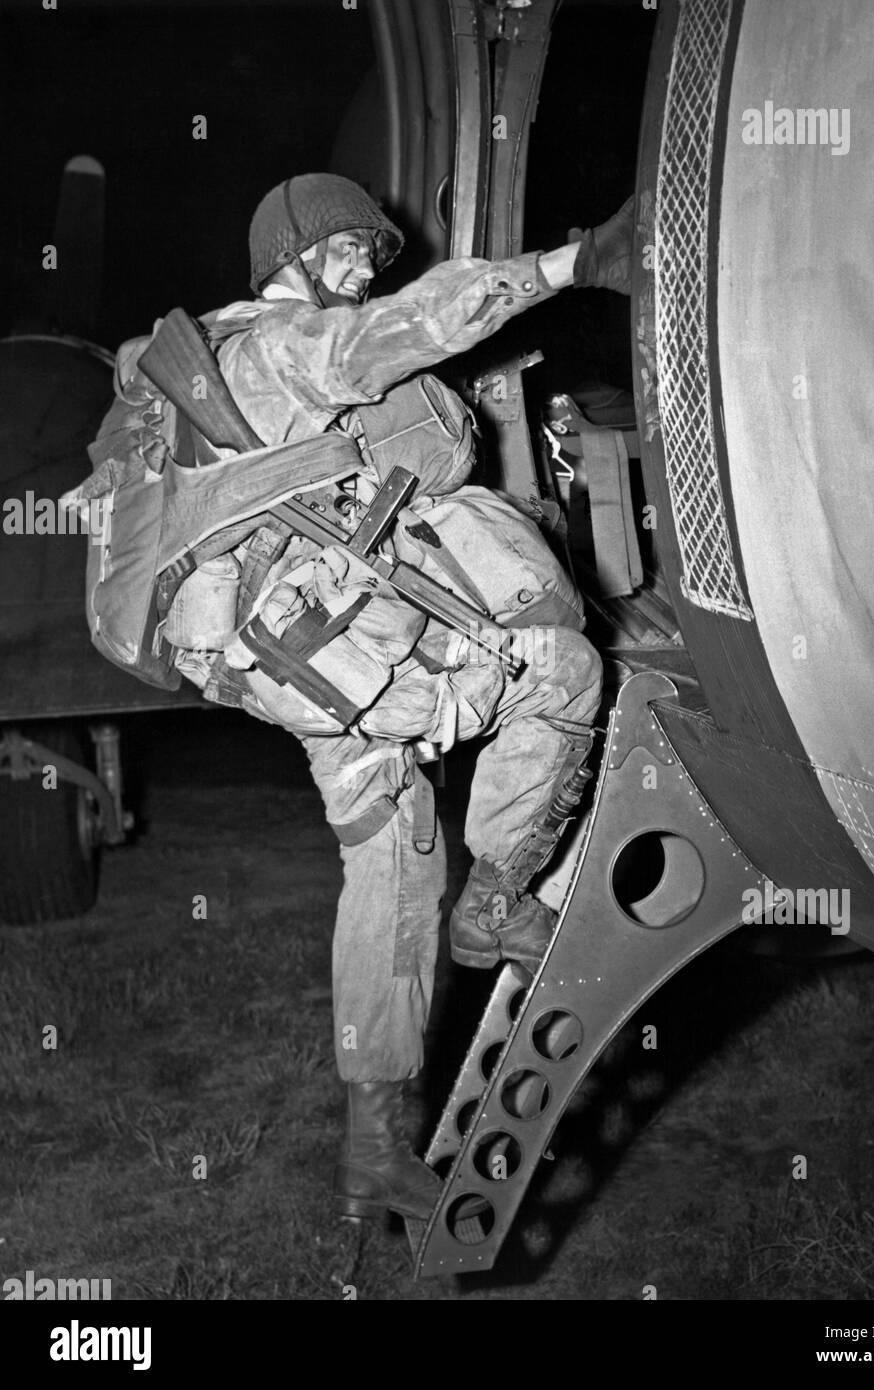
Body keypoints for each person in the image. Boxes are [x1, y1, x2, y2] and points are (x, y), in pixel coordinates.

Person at [182, 174, 632, 1222]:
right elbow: (414, 324)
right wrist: (569, 265)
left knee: (389, 866)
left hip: (299, 659)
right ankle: (495, 901)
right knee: (561, 672)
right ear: (287, 260)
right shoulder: (282, 345)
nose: (361, 274)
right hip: (327, 656)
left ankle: (373, 1147)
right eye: (343, 255)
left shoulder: (234, 370)